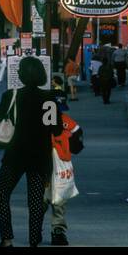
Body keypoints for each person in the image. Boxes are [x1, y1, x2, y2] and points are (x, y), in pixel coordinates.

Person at [0, 56, 58, 247]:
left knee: (2, 194)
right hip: (40, 155)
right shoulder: (49, 98)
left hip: (15, 154)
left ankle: (7, 239)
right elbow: (56, 128)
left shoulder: (11, 95)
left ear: (21, 74)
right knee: (36, 201)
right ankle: (34, 240)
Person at [47, 101, 83, 245]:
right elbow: (77, 131)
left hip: (42, 162)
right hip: (60, 161)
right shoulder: (63, 119)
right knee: (60, 198)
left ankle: (36, 230)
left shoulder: (35, 119)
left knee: (42, 197)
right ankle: (58, 230)